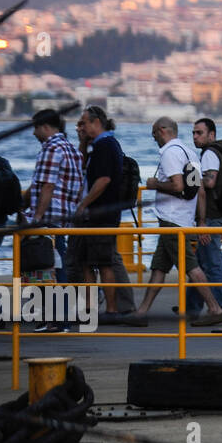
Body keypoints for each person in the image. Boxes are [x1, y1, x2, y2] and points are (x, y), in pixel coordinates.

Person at [126, 117, 222, 327]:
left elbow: (177, 186)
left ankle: (215, 308)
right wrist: (200, 221)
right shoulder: (189, 153)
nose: (153, 138)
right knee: (159, 267)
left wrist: (154, 183)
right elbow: (199, 191)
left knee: (192, 267)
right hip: (182, 219)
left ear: (162, 131)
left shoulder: (169, 153)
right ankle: (141, 312)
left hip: (171, 220)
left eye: (153, 134)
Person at [71, 105, 136, 322]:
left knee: (104, 262)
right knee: (88, 263)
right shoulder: (97, 146)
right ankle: (92, 308)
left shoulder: (105, 146)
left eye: (84, 122)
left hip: (101, 214)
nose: (82, 126)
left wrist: (83, 205)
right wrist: (82, 141)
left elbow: (103, 180)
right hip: (97, 214)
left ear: (96, 122)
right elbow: (84, 169)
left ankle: (111, 309)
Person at [24, 109, 84, 331]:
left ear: (45, 127)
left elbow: (47, 185)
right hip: (64, 218)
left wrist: (36, 217)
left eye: (35, 128)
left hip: (49, 219)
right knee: (56, 267)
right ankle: (56, 318)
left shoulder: (51, 148)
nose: (33, 133)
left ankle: (59, 320)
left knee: (51, 270)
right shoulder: (72, 150)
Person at [190, 117, 222, 315]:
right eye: (193, 133)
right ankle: (192, 306)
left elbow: (209, 182)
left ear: (211, 135)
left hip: (211, 215)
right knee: (198, 262)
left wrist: (189, 176)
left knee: (213, 264)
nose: (195, 136)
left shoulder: (209, 153)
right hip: (220, 212)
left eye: (199, 133)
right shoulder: (221, 151)